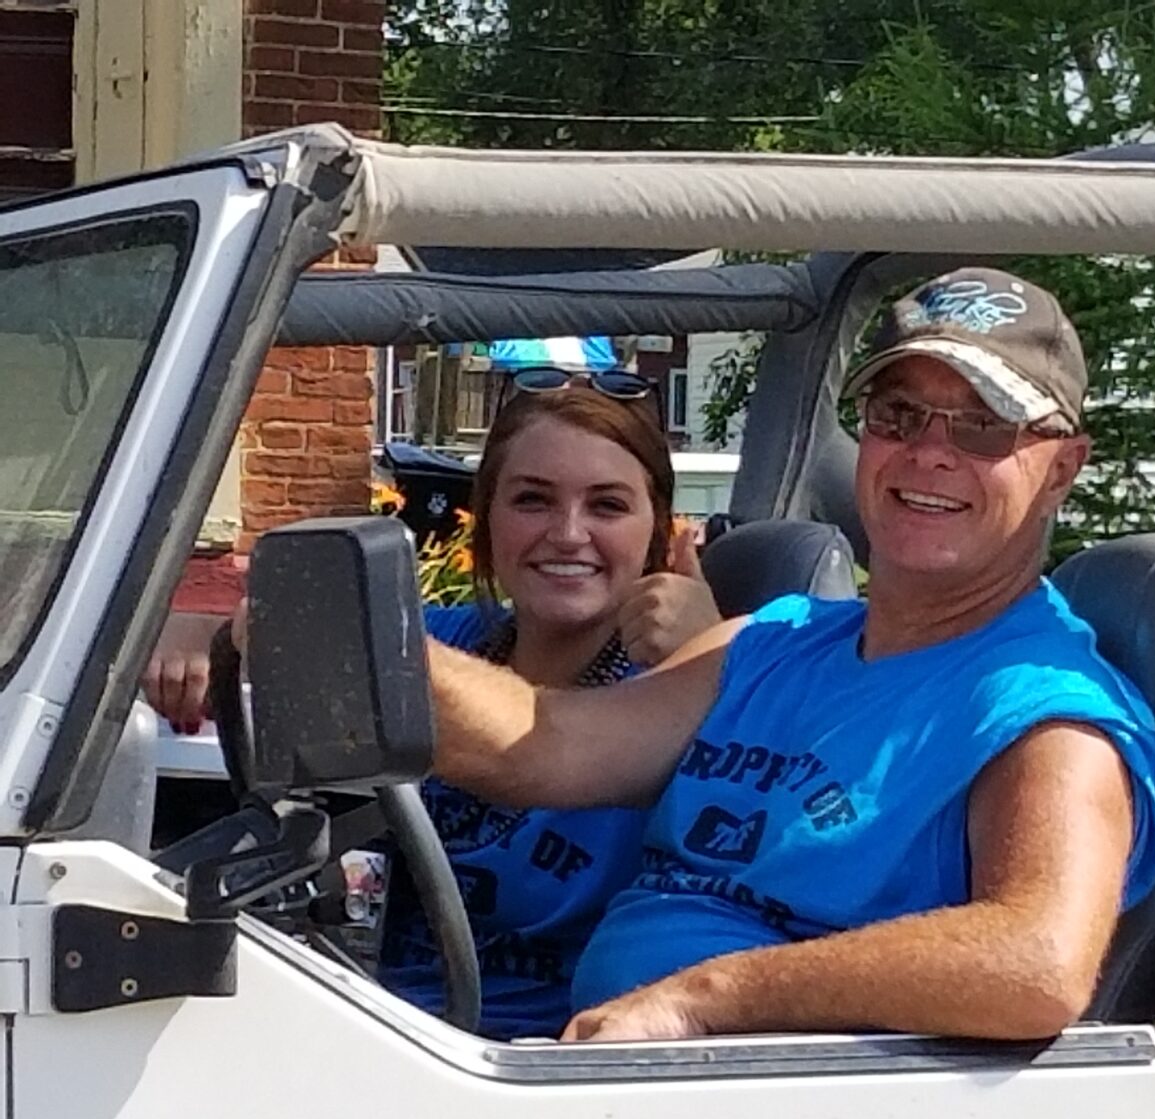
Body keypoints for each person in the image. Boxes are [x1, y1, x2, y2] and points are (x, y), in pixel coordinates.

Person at [422, 268, 1155, 1045]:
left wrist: (702, 997)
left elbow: (1037, 963)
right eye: (900, 414)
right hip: (604, 1081)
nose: (929, 453)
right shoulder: (772, 639)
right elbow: (545, 745)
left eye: (983, 426)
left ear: (1061, 469)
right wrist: (353, 640)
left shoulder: (1051, 718)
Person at [143, 379, 722, 1039]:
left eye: (608, 506)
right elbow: (214, 631)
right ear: (488, 518)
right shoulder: (451, 642)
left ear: (661, 533)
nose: (568, 533)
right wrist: (195, 642)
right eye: (532, 499)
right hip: (362, 1013)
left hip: (538, 1055)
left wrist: (711, 648)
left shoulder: (685, 685)